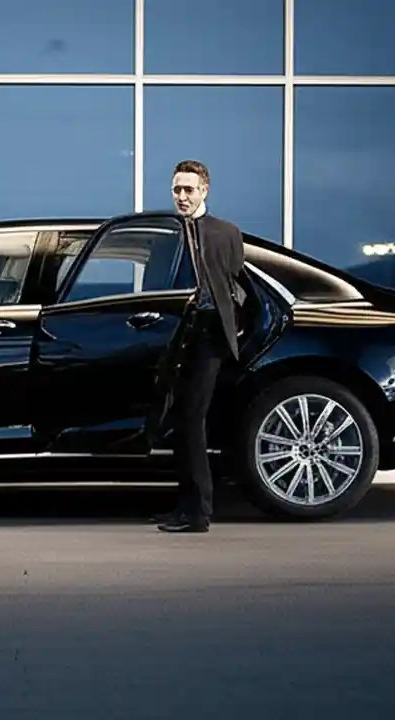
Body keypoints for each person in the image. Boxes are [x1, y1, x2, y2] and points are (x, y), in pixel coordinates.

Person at [155, 159, 245, 533]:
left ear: (204, 190)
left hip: (209, 339)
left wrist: (233, 332)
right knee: (176, 421)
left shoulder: (226, 232)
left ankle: (198, 513)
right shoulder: (165, 233)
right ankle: (184, 506)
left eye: (188, 190)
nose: (182, 196)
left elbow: (239, 286)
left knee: (193, 420)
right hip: (175, 339)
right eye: (177, 189)